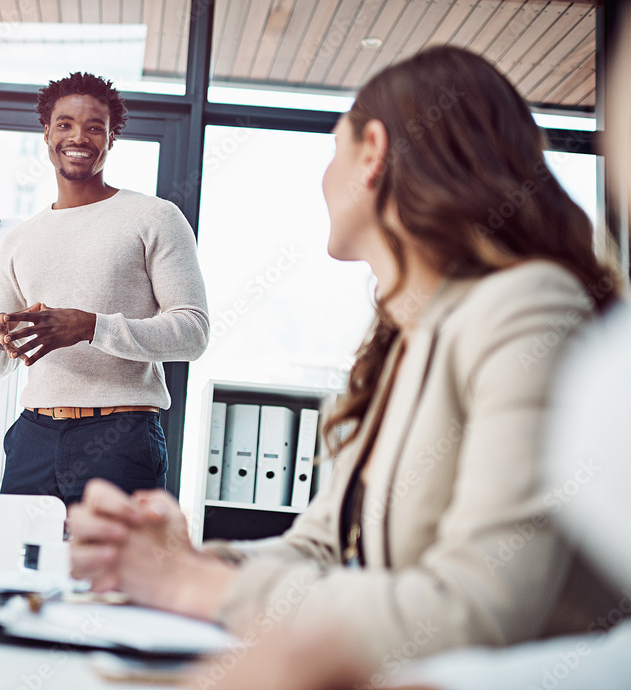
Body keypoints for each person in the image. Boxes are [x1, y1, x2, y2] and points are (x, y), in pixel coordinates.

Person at [67, 45, 624, 678]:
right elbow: (324, 546)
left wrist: (194, 586)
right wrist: (180, 556)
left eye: (335, 148)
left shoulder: (527, 306)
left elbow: (479, 610)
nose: (324, 176)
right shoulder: (403, 337)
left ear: (374, 152)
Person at [0, 72, 209, 504]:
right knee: (18, 570)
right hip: (32, 437)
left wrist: (90, 327)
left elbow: (192, 333)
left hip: (120, 438)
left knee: (111, 572)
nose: (78, 136)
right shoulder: (20, 239)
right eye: (64, 124)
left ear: (111, 138)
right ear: (46, 132)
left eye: (94, 126)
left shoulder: (154, 217)